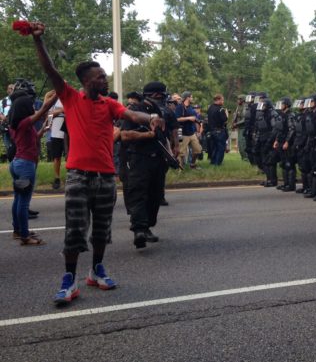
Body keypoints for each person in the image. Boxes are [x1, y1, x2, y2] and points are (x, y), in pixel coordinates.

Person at [28, 21, 164, 305]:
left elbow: (131, 114)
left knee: (102, 228)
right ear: (88, 81)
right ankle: (69, 279)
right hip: (78, 175)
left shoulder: (108, 104)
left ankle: (96, 270)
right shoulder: (71, 98)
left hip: (106, 176)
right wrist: (38, 41)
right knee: (75, 229)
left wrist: (149, 118)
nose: (105, 79)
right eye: (101, 77)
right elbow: (50, 70)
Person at [121, 82, 172, 249]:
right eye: (162, 95)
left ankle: (147, 227)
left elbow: (164, 136)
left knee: (155, 195)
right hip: (139, 159)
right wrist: (148, 135)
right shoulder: (134, 111)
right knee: (138, 195)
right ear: (156, 95)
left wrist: (170, 154)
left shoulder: (159, 112)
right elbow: (125, 135)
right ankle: (139, 230)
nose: (164, 98)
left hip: (157, 160)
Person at [8, 89, 57, 244]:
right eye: (29, 105)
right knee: (23, 202)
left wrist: (43, 128)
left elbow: (34, 138)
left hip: (17, 163)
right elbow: (44, 109)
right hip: (25, 164)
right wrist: (59, 93)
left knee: (18, 199)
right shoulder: (24, 122)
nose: (32, 107)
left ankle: (18, 231)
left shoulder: (17, 124)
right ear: (24, 108)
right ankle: (25, 236)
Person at [272, 97, 296, 191]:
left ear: (286, 105)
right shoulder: (281, 115)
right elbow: (279, 130)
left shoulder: (290, 115)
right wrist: (276, 140)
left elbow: (292, 129)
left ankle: (291, 185)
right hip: (281, 141)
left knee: (289, 164)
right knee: (283, 163)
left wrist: (287, 142)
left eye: (282, 104)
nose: (280, 106)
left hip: (287, 143)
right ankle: (286, 183)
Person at [175, 91, 202, 169]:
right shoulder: (179, 107)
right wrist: (189, 118)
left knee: (198, 150)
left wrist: (198, 129)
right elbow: (177, 119)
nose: (192, 98)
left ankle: (192, 165)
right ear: (187, 98)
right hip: (182, 133)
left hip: (192, 133)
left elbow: (195, 119)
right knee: (181, 153)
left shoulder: (191, 107)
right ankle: (180, 169)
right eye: (191, 97)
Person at [254, 97, 276, 186]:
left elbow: (274, 128)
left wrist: (270, 140)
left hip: (269, 139)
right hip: (263, 139)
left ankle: (273, 180)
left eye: (263, 105)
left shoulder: (272, 114)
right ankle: (268, 179)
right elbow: (259, 128)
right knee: (264, 160)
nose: (261, 107)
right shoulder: (261, 114)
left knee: (270, 161)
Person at [48, 99, 66, 189]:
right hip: (56, 132)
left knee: (70, 156)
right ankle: (57, 178)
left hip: (69, 133)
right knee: (56, 157)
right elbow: (49, 114)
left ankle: (71, 177)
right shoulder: (54, 101)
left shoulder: (69, 98)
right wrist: (61, 110)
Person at [207, 94, 228, 165]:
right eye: (222, 100)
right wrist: (226, 115)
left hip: (212, 131)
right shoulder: (221, 109)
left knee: (214, 148)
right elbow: (224, 120)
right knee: (221, 148)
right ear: (218, 100)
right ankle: (217, 163)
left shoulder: (210, 108)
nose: (223, 101)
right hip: (219, 131)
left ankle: (213, 162)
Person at [1, 84, 14, 155]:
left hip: (14, 124)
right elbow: (0, 112)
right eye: (10, 88)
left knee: (16, 143)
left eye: (12, 88)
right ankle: (10, 159)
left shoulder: (17, 100)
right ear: (7, 90)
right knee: (7, 144)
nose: (11, 90)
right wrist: (4, 118)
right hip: (5, 125)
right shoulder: (3, 101)